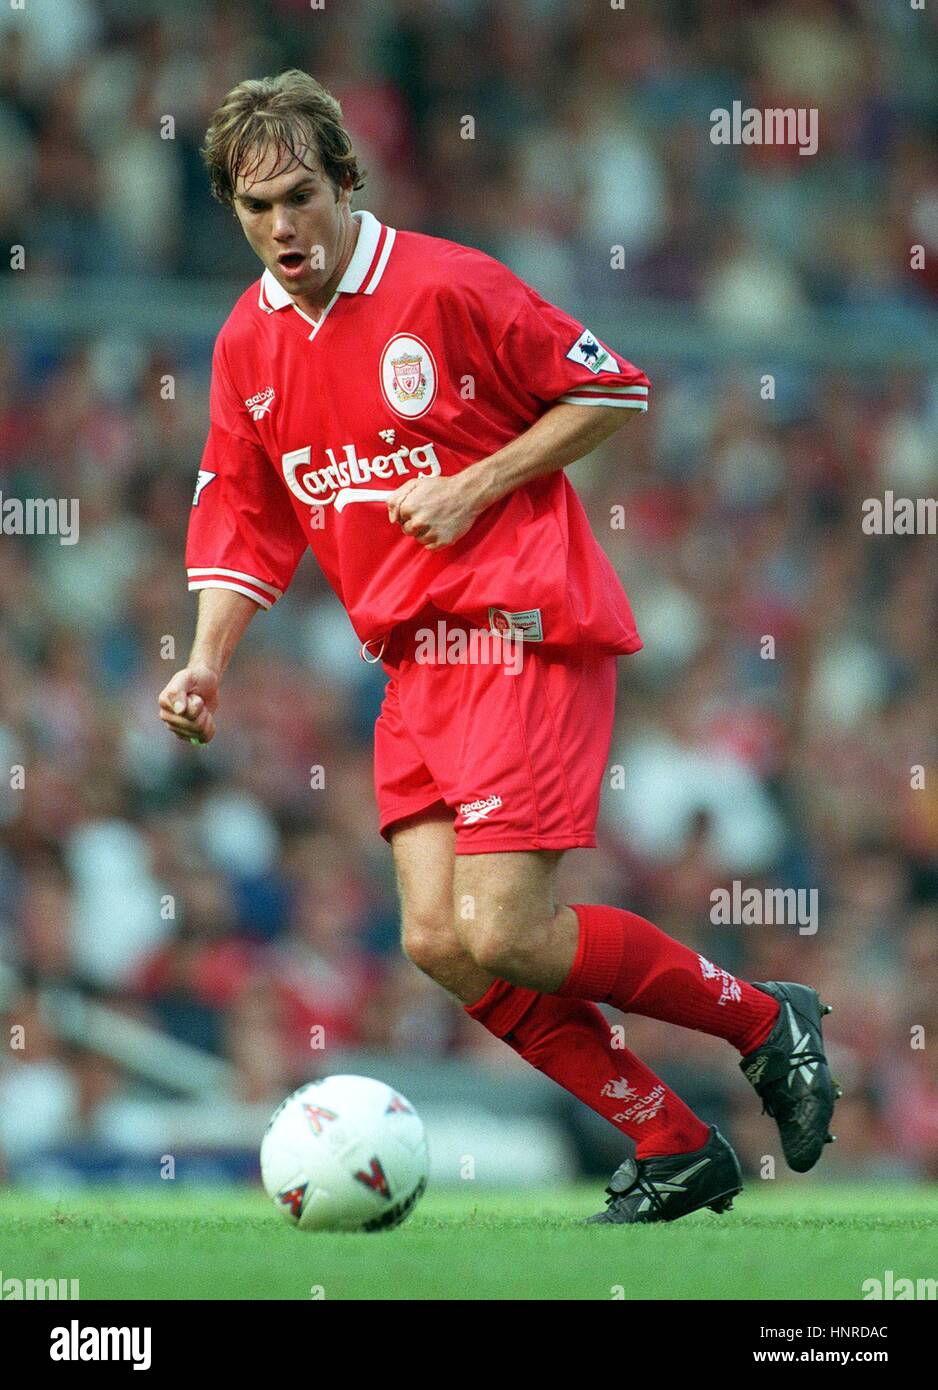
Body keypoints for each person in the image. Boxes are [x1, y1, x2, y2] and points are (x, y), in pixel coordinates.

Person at [158, 70, 838, 1223]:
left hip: (514, 628)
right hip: (411, 665)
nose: (281, 225)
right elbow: (241, 519)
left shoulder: (443, 283)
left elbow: (608, 386)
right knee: (440, 940)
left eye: (299, 196)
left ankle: (764, 1022)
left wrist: (477, 482)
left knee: (505, 925)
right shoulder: (246, 344)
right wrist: (207, 660)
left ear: (344, 182)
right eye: (254, 205)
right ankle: (671, 1141)